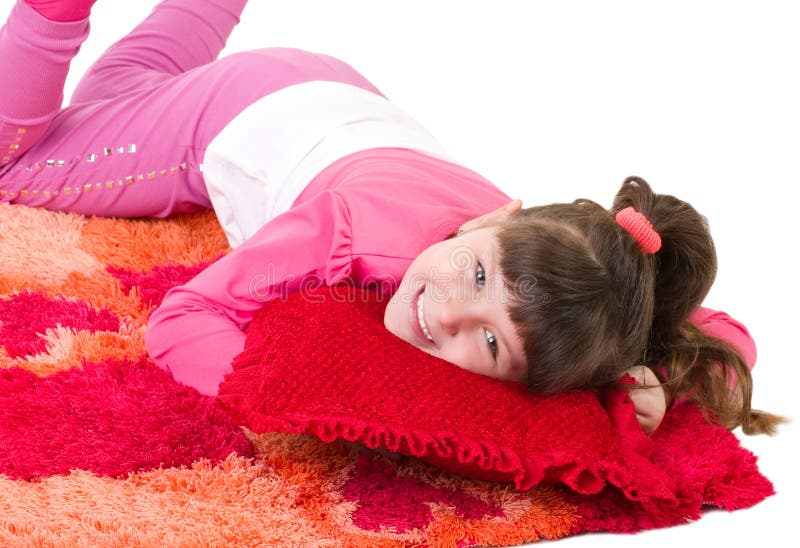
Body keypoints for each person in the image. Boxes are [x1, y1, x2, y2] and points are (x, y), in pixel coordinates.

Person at [1, 0, 781, 436]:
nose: (446, 313)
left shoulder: (578, 275)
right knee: (15, 167)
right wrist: (296, 406)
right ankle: (48, 14)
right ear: (493, 219)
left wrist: (645, 379)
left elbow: (727, 341)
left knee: (124, 93)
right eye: (478, 277)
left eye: (490, 342)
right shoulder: (346, 230)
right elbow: (187, 315)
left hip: (339, 92)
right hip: (232, 114)